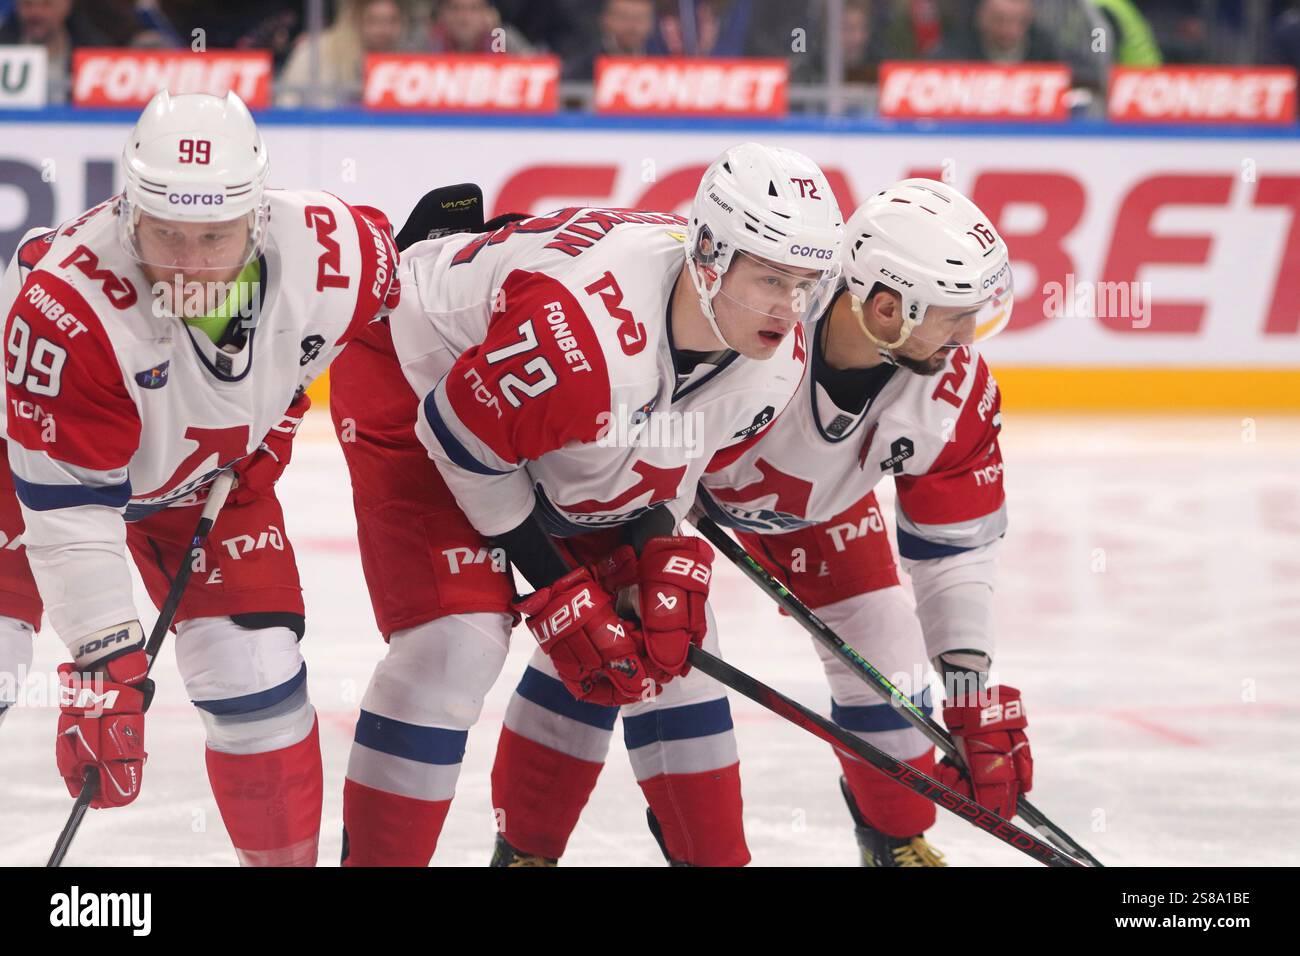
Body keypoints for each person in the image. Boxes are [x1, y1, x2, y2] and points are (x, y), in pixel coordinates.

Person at [489, 178, 1033, 867]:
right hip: (648, 491)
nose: (967, 339)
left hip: (815, 509)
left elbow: (956, 554)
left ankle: (895, 836)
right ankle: (530, 848)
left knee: (888, 656)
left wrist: (968, 692)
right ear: (888, 306)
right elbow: (633, 442)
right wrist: (635, 558)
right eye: (954, 315)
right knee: (628, 643)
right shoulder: (757, 321)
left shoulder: (954, 393)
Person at [328, 143, 844, 867]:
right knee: (456, 645)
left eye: (806, 285)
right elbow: (462, 442)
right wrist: (562, 586)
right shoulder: (585, 337)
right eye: (771, 279)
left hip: (536, 407)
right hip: (414, 376)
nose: (791, 309)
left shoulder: (774, 363)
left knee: (670, 639)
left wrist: (651, 553)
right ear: (708, 256)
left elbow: (665, 474)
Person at [0, 90, 399, 865]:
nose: (187, 265)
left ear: (256, 218)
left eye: (213, 238)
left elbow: (391, 312)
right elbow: (71, 516)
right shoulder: (63, 307)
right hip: (22, 465)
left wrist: (279, 417)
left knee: (255, 679)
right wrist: (103, 659)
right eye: (165, 236)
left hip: (201, 475)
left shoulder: (336, 254)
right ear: (127, 213)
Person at [278, 0, 410, 108]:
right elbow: (286, 103)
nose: (384, 31)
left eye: (392, 21)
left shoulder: (409, 62)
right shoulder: (317, 51)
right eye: (373, 21)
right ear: (356, 20)